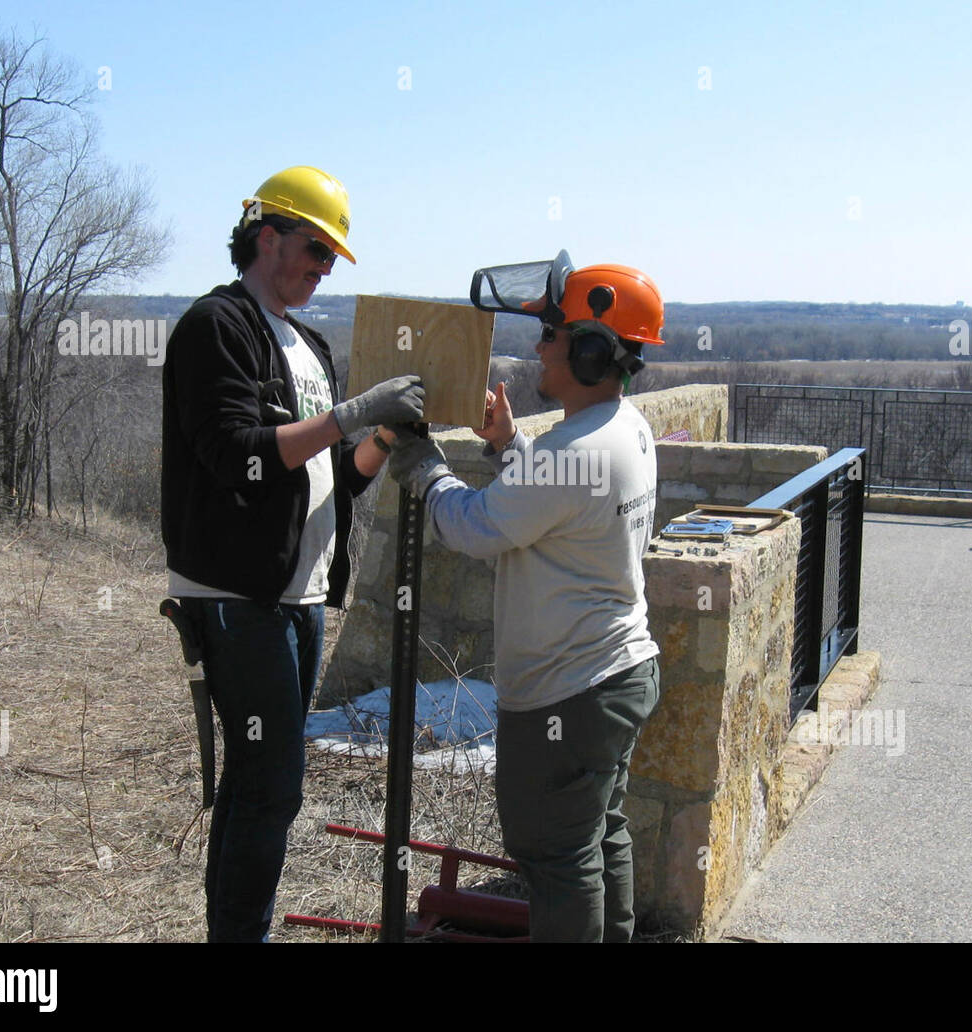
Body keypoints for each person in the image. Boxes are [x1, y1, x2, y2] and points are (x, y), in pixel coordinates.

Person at [161, 166, 424, 942]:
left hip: (299, 595)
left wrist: (378, 437)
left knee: (259, 784)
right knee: (273, 786)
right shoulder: (218, 326)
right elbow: (236, 453)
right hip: (236, 595)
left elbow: (329, 475)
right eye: (315, 249)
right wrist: (352, 414)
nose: (324, 268)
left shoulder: (308, 344)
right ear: (266, 236)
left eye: (333, 258)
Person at [387, 256, 665, 942]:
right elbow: (556, 507)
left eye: (553, 333)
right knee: (599, 833)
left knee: (555, 856)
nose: (539, 346)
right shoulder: (622, 429)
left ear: (594, 353)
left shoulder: (573, 451)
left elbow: (477, 527)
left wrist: (425, 469)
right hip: (620, 675)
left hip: (566, 696)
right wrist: (510, 444)